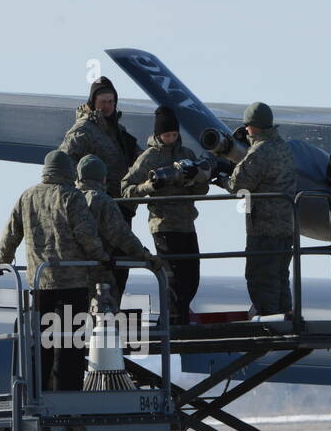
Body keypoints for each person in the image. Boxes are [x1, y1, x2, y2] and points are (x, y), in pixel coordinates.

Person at [0, 150, 109, 390]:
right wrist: (101, 258)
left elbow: (11, 232)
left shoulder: (27, 196)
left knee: (43, 342)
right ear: (69, 171)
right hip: (72, 284)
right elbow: (86, 234)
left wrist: (2, 261)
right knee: (69, 344)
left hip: (40, 284)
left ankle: (39, 391)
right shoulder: (71, 196)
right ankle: (67, 395)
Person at [121, 106, 210, 325]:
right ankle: (172, 323)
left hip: (187, 224)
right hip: (164, 226)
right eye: (167, 135)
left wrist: (195, 176)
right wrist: (150, 186)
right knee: (174, 280)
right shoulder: (149, 158)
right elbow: (126, 189)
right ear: (159, 134)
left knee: (192, 278)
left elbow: (203, 189)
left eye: (174, 134)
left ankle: (177, 319)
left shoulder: (186, 155)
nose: (171, 139)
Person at [227, 101, 298, 316]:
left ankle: (269, 320)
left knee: (260, 276)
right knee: (278, 275)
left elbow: (237, 186)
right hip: (286, 227)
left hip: (264, 227)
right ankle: (285, 316)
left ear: (253, 126)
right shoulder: (282, 147)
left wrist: (222, 175)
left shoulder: (259, 152)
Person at [75, 154, 157, 305]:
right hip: (96, 272)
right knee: (106, 317)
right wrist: (144, 255)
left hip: (68, 273)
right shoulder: (102, 201)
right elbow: (121, 235)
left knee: (69, 321)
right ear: (103, 178)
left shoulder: (68, 198)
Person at [60, 76, 141, 222]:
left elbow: (141, 158)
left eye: (111, 102)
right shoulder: (82, 130)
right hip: (95, 206)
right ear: (93, 101)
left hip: (122, 205)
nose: (107, 106)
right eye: (103, 102)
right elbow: (64, 163)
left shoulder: (119, 131)